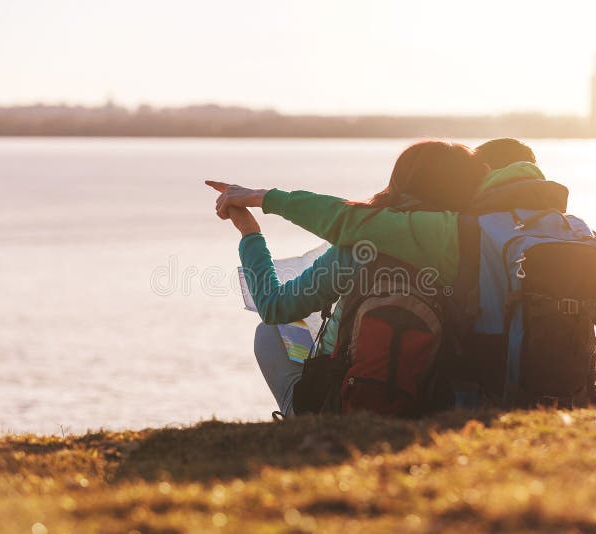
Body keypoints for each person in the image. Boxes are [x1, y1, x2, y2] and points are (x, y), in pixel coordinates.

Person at [209, 143, 596, 408]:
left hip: (480, 399)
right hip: (563, 394)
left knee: (270, 334)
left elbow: (347, 221)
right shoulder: (587, 237)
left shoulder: (459, 234)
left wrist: (260, 208)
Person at [207, 141, 488, 416]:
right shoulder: (468, 244)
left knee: (269, 333)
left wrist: (249, 232)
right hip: (430, 398)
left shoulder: (360, 248)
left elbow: (274, 307)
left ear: (399, 183)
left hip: (342, 402)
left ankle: (301, 421)